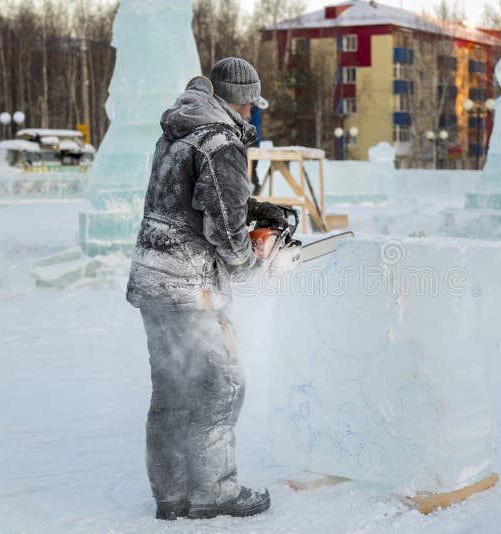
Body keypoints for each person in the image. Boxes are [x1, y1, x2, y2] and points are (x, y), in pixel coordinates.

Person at [126, 57, 287, 521]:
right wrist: (249, 263)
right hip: (187, 284)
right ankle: (213, 493)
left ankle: (172, 495)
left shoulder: (178, 131)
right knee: (222, 386)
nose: (254, 112)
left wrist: (251, 205)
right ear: (244, 102)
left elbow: (184, 199)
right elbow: (222, 225)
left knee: (173, 390)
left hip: (153, 277)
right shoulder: (220, 141)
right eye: (253, 104)